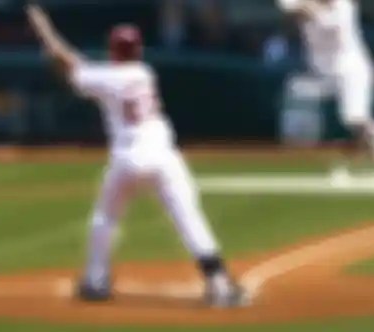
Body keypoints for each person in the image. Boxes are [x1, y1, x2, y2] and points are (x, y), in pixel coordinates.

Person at [25, 4, 247, 307]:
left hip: (127, 159)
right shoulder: (144, 72)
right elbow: (74, 65)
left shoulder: (107, 77)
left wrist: (45, 31)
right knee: (188, 217)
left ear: (113, 50)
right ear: (137, 50)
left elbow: (68, 63)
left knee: (105, 219)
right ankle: (218, 281)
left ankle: (95, 280)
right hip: (162, 156)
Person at [281, 0, 374, 180]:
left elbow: (328, 23)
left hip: (351, 71)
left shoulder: (344, 6)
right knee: (297, 89)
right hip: (322, 73)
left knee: (355, 118)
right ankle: (301, 147)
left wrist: (308, 8)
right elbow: (286, 6)